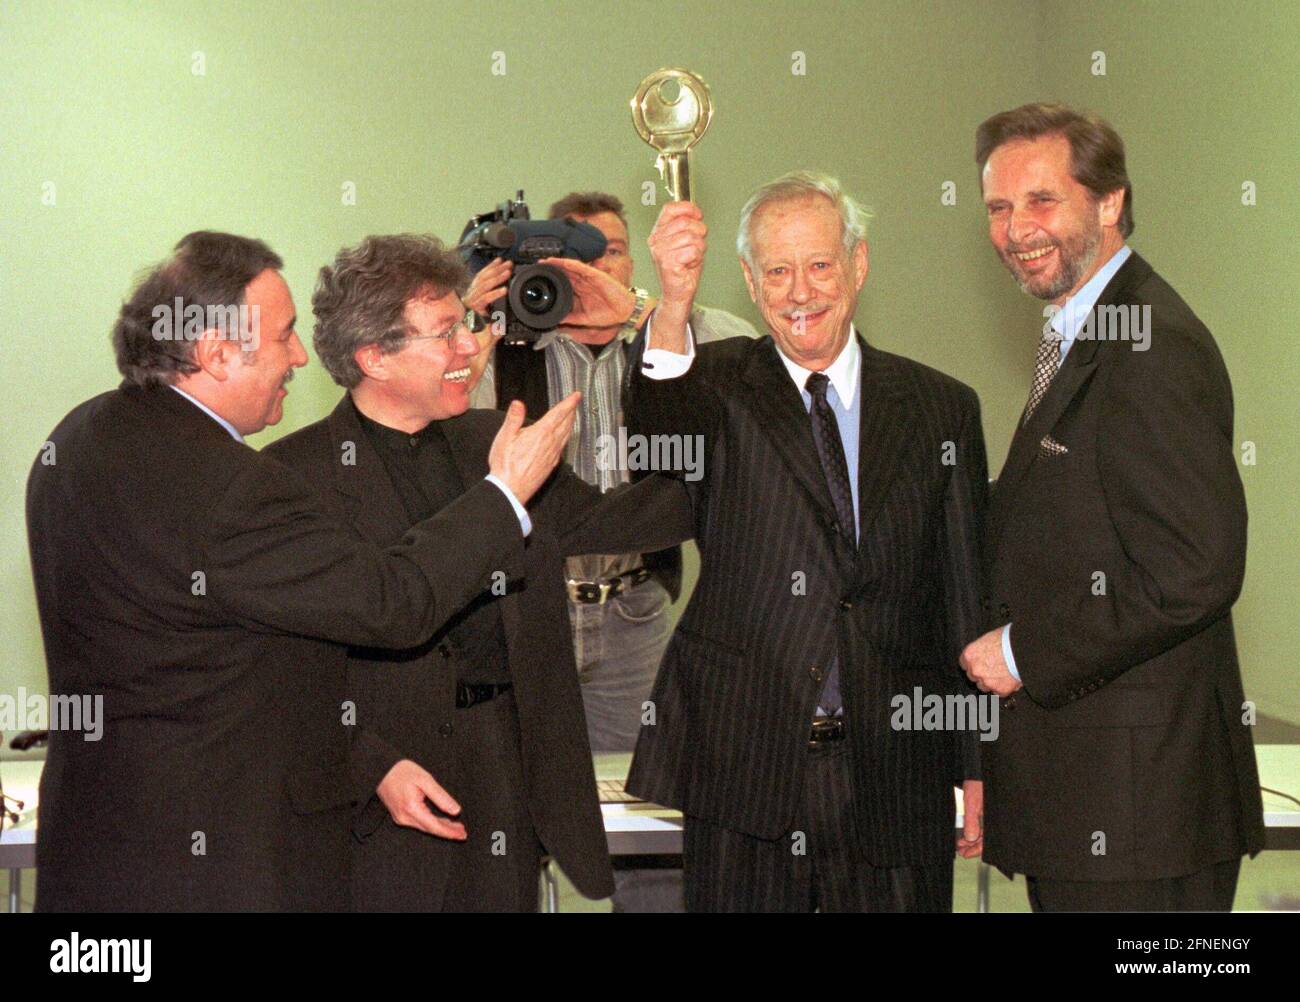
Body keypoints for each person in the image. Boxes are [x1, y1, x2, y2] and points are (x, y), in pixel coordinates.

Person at [26, 231, 580, 911]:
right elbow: (392, 602)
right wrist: (504, 495)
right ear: (216, 353)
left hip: (99, 858)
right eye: (285, 336)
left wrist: (370, 763)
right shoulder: (233, 489)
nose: (298, 357)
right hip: (220, 865)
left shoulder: (79, 437)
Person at [265, 234, 694, 911]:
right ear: (375, 358)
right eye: (447, 333)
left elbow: (644, 518)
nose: (472, 345)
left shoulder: (489, 440)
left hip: (503, 778)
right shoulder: (292, 480)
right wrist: (370, 767)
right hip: (377, 806)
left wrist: (652, 319)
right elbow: (277, 677)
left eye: (465, 323)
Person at [624, 173, 988, 912]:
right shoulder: (716, 387)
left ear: (859, 264)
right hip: (746, 768)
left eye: (820, 264)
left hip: (898, 770)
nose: (802, 291)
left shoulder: (942, 408)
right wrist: (673, 305)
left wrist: (978, 760)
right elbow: (661, 451)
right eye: (778, 271)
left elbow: (965, 592)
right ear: (753, 285)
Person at [960, 103, 1265, 911]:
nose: (1018, 228)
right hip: (1098, 808)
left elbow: (1195, 569)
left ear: (1109, 202)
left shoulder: (1149, 343)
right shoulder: (1084, 331)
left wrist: (1022, 653)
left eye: (1041, 200)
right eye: (998, 207)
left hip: (1141, 819)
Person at [467, 192, 758, 911]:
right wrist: (463, 325)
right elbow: (432, 434)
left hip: (634, 614)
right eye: (573, 256)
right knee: (509, 817)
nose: (589, 272)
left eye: (611, 253)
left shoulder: (669, 332)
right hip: (527, 615)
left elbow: (754, 359)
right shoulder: (507, 346)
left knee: (652, 814)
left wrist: (637, 311)